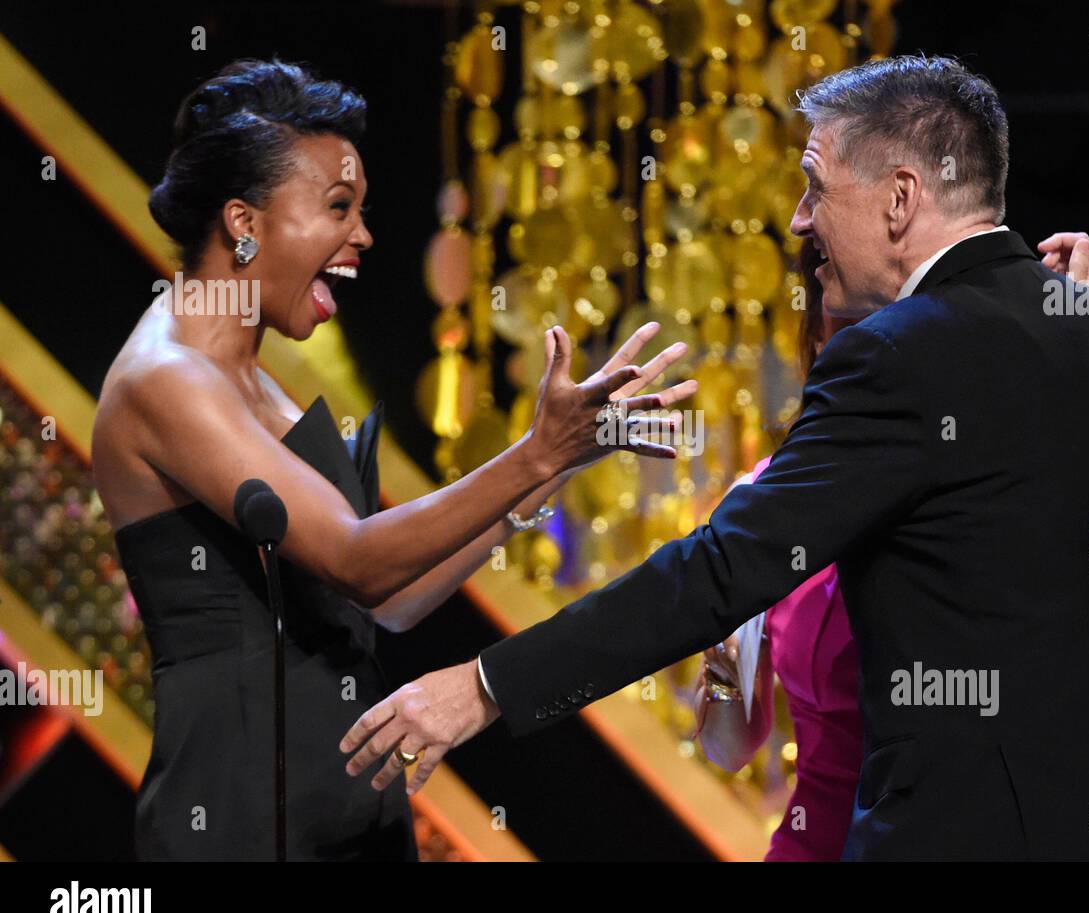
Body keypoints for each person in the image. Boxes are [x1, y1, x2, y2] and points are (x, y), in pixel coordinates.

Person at [342, 56, 1089, 861]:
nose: (797, 218)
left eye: (817, 185)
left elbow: (721, 569)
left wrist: (484, 685)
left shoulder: (898, 352)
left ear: (901, 197)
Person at [92, 59, 695, 860]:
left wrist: (558, 464)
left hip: (351, 809)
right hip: (243, 817)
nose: (364, 234)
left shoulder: (252, 379)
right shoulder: (167, 378)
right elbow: (358, 560)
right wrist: (533, 450)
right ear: (243, 223)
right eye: (338, 207)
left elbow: (393, 599)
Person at [692, 235, 1089, 861]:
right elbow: (730, 747)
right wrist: (723, 667)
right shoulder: (768, 498)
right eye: (838, 325)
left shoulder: (1007, 485)